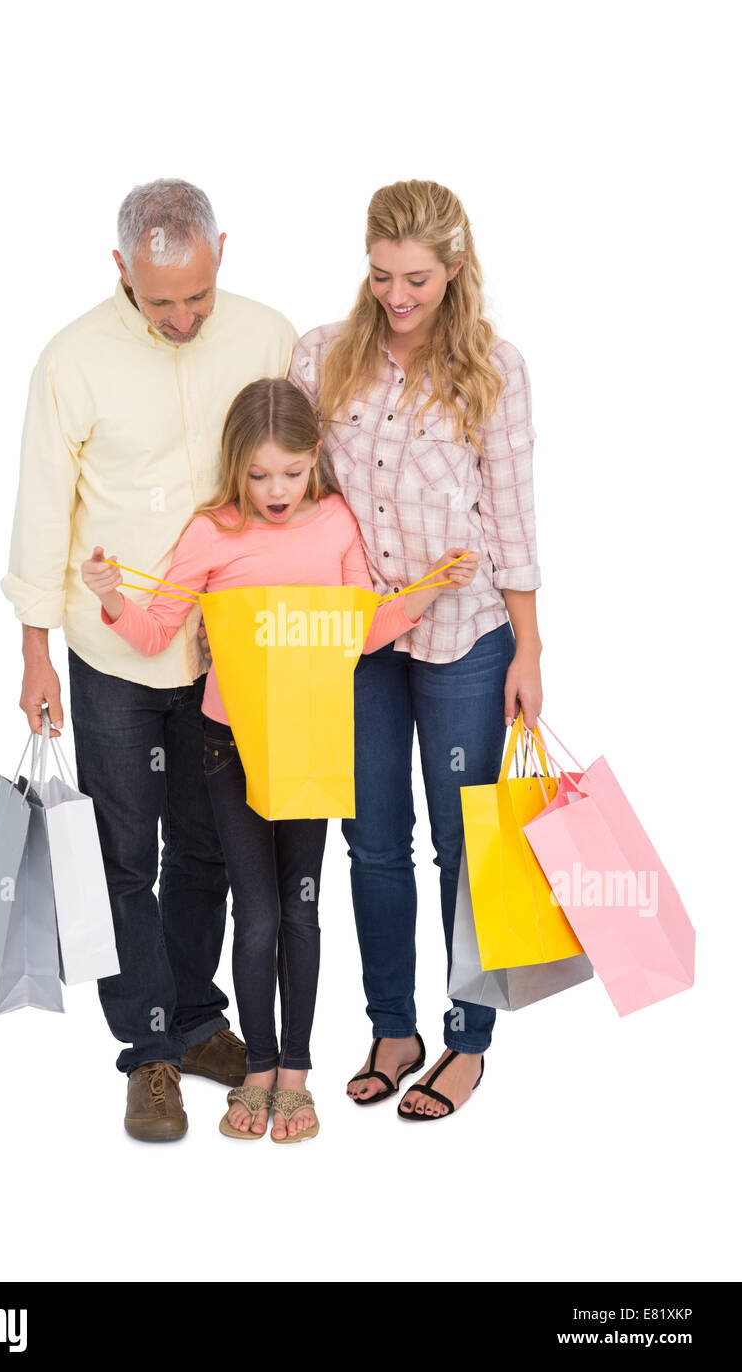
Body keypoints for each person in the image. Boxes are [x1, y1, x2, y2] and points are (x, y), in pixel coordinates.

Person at [80, 377, 478, 1142]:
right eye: (258, 475)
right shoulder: (209, 533)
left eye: (291, 473)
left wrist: (428, 591)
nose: (275, 490)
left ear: (314, 460)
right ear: (235, 466)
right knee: (255, 915)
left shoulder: (334, 522)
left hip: (310, 739)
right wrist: (110, 596)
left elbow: (361, 629)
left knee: (300, 907)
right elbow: (157, 633)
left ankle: (295, 1073)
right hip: (228, 744)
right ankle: (257, 1066)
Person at [1, 179, 298, 1142]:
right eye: (160, 298)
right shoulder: (72, 359)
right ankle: (150, 1053)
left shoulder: (265, 335)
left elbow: (295, 467)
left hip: (226, 654)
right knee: (129, 854)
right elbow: (42, 510)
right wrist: (34, 652)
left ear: (223, 254)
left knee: (208, 850)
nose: (182, 317)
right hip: (114, 653)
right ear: (119, 267)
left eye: (198, 296)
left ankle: (197, 1018)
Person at [289, 179, 543, 1122]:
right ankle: (393, 1027)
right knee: (373, 842)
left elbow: (512, 516)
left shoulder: (493, 370)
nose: (398, 297)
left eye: (418, 280)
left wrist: (529, 649)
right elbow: (293, 488)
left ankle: (467, 1041)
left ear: (456, 270)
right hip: (360, 638)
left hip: (461, 636)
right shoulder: (324, 356)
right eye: (384, 276)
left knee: (461, 842)